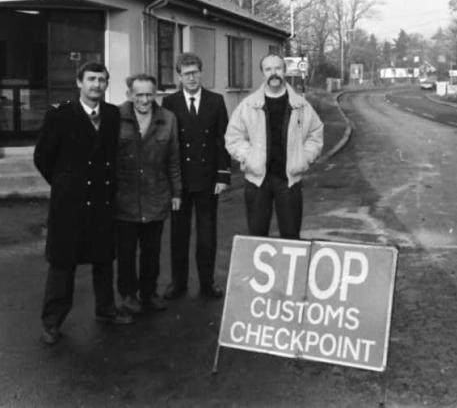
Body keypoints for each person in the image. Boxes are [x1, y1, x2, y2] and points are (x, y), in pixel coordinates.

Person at [34, 61, 133, 346]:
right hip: (69, 206)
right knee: (62, 264)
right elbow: (43, 157)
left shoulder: (113, 115)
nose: (96, 85)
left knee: (103, 259)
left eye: (102, 80)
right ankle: (52, 323)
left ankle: (106, 310)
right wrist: (65, 184)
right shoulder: (60, 115)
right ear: (79, 83)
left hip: (102, 202)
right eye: (91, 79)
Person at [225, 53, 324, 239]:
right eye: (268, 69)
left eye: (278, 68)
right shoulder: (248, 105)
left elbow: (316, 133)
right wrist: (249, 157)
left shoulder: (300, 105)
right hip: (257, 181)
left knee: (291, 237)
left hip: (289, 180)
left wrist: (303, 157)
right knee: (256, 237)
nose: (274, 73)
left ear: (285, 71)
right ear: (262, 73)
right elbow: (233, 136)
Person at [161, 53, 231, 300]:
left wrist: (223, 175)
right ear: (179, 76)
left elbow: (223, 140)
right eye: (186, 73)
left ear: (201, 73)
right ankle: (178, 283)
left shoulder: (216, 101)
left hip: (208, 178)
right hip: (180, 180)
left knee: (207, 233)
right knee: (178, 234)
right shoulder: (169, 103)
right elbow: (166, 143)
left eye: (195, 72)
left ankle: (207, 282)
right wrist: (169, 181)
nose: (191, 78)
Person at [114, 74, 181, 314]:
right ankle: (128, 295)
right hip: (125, 197)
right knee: (126, 252)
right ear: (129, 95)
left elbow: (173, 159)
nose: (144, 100)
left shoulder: (168, 119)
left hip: (156, 195)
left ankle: (149, 292)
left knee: (152, 251)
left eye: (149, 95)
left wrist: (176, 193)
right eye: (139, 95)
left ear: (156, 95)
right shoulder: (115, 117)